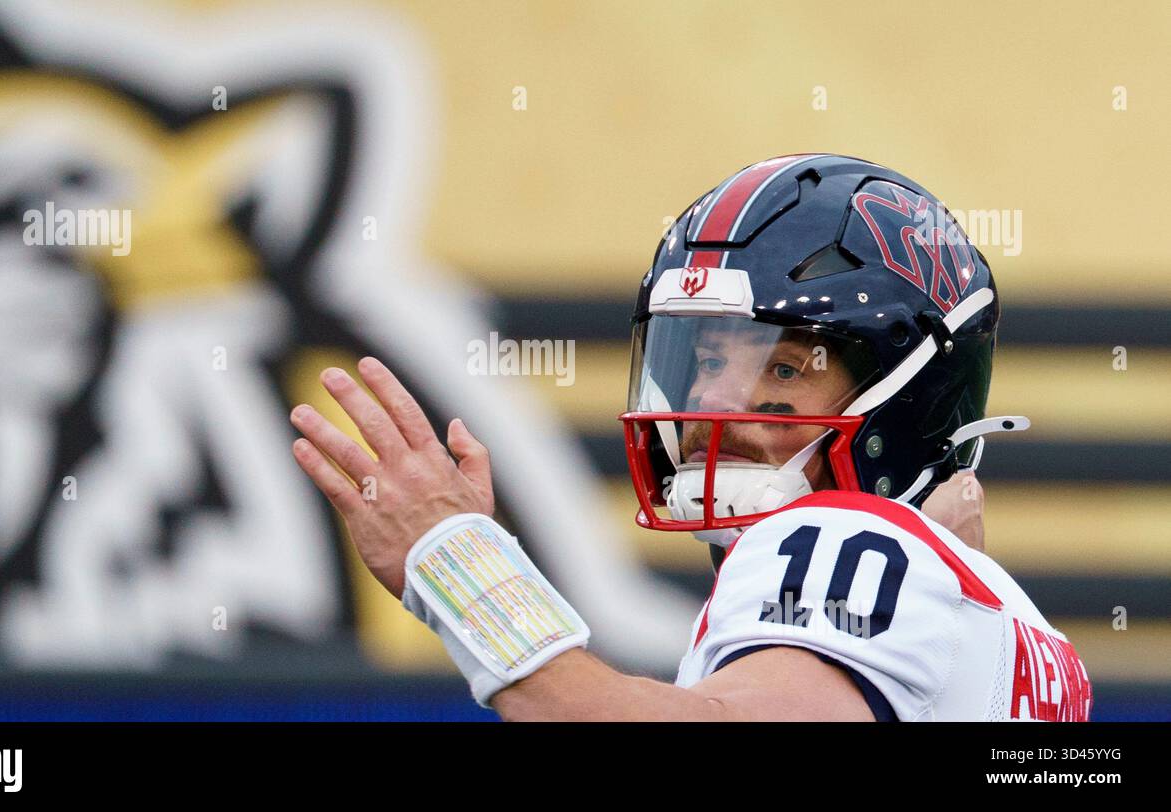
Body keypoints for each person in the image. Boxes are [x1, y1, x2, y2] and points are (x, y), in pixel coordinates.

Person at [289, 154, 1091, 721]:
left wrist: (460, 568)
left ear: (915, 400)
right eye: (707, 358)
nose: (712, 401)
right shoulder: (1007, 625)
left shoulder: (841, 542)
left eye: (782, 370)